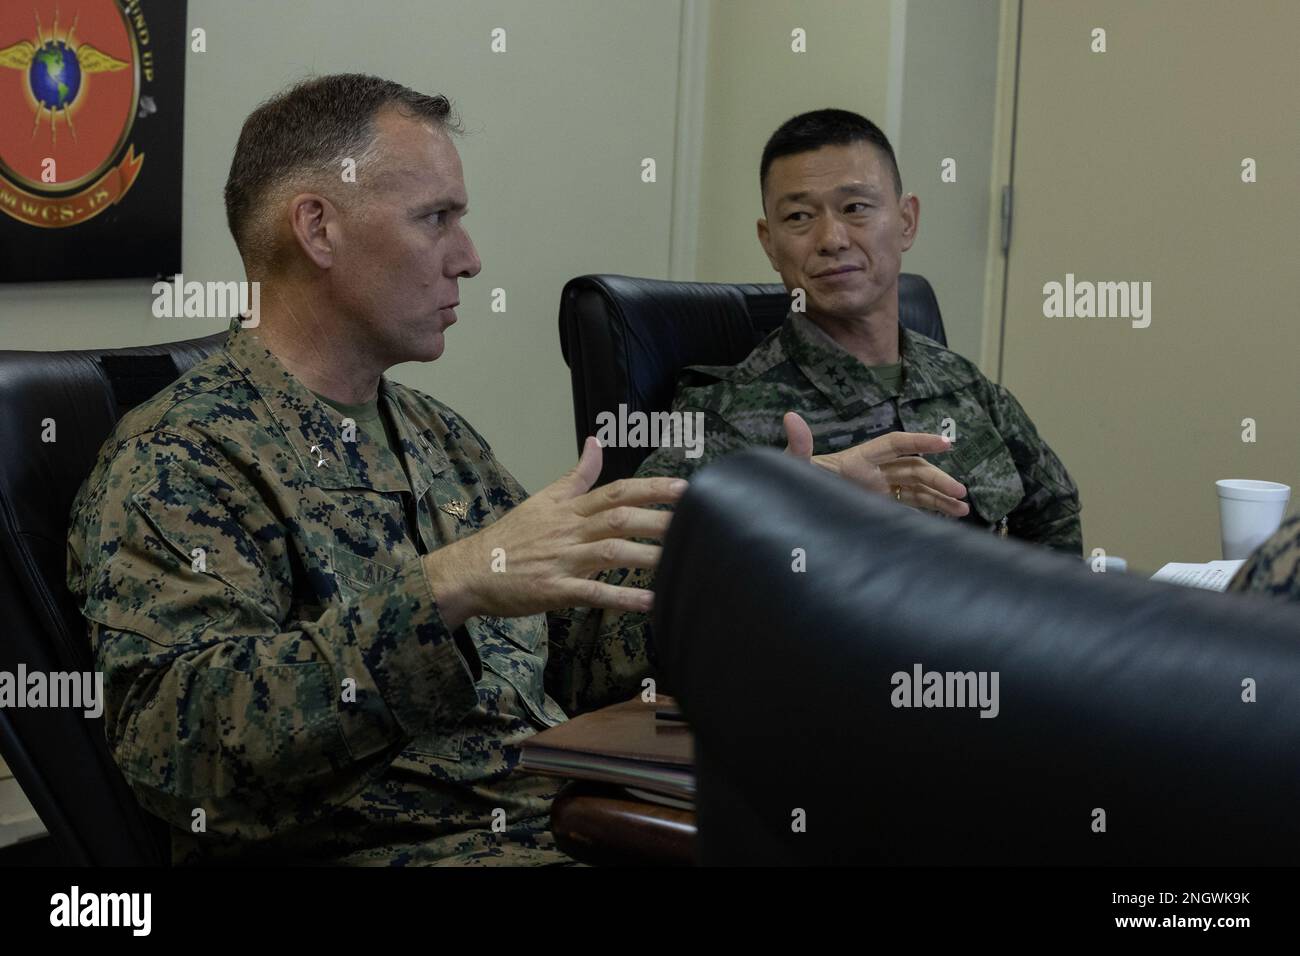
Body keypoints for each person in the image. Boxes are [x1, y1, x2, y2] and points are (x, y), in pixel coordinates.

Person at [66, 74, 689, 866]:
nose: (469, 259)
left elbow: (572, 651)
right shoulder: (182, 456)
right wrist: (444, 588)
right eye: (436, 219)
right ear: (318, 230)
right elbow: (181, 749)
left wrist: (742, 557)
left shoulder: (435, 435)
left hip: (559, 817)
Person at [632, 109, 1082, 554]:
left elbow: (1055, 515)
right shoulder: (723, 417)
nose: (831, 238)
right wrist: (778, 503)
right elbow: (611, 586)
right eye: (799, 217)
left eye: (855, 208)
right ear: (769, 243)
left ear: (906, 222)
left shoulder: (967, 387)